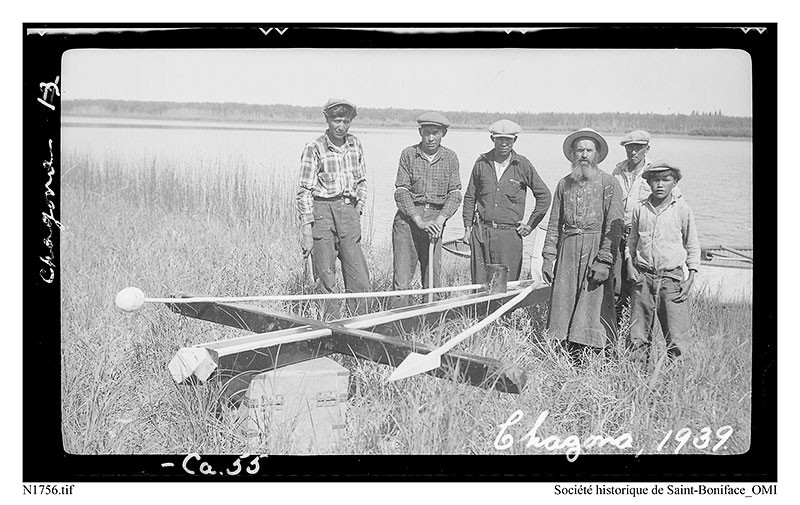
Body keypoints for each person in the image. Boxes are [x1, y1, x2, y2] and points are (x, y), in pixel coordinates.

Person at [541, 128, 624, 357]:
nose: (584, 155)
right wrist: (548, 258)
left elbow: (613, 228)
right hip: (568, 249)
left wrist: (605, 261)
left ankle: (592, 355)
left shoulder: (609, 184)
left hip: (595, 249)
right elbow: (554, 223)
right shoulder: (564, 184)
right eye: (580, 150)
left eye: (589, 150)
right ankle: (561, 352)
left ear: (597, 154)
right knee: (563, 304)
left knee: (592, 304)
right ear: (573, 154)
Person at [296, 98, 370, 317]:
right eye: (337, 120)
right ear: (327, 119)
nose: (341, 126)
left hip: (349, 211)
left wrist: (357, 210)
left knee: (359, 277)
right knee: (325, 275)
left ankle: (361, 327)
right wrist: (307, 229)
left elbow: (362, 182)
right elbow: (304, 191)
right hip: (322, 214)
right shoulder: (314, 147)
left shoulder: (355, 144)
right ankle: (331, 328)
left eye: (346, 121)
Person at [626, 161, 700, 364]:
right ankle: (636, 377)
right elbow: (631, 242)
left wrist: (690, 277)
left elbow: (692, 244)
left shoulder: (682, 209)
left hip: (671, 279)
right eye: (655, 180)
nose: (660, 184)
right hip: (643, 277)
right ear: (648, 182)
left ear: (674, 182)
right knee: (638, 334)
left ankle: (676, 381)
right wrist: (630, 265)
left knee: (676, 336)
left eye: (665, 180)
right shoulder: (640, 209)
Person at [462, 119, 551, 284]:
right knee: (480, 285)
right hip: (481, 233)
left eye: (508, 140)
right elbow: (469, 197)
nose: (504, 143)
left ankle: (503, 311)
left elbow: (544, 196)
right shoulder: (481, 163)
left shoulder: (522, 165)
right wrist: (467, 229)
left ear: (514, 141)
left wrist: (530, 225)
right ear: (492, 139)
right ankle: (480, 311)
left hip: (509, 236)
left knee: (506, 286)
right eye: (500, 139)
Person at [392, 112, 462, 307]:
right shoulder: (408, 154)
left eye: (436, 133)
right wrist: (418, 220)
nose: (431, 138)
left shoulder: (450, 158)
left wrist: (440, 220)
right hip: (408, 220)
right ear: (420, 132)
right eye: (427, 133)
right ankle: (397, 325)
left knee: (432, 277)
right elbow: (401, 191)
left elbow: (455, 193)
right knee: (402, 279)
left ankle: (428, 324)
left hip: (435, 221)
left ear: (443, 133)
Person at [611, 130, 681, 315]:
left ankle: (634, 327)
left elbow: (675, 200)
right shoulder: (618, 170)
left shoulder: (654, 172)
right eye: (629, 148)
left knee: (638, 285)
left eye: (638, 148)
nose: (633, 152)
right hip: (618, 234)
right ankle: (615, 329)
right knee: (616, 283)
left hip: (642, 237)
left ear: (647, 149)